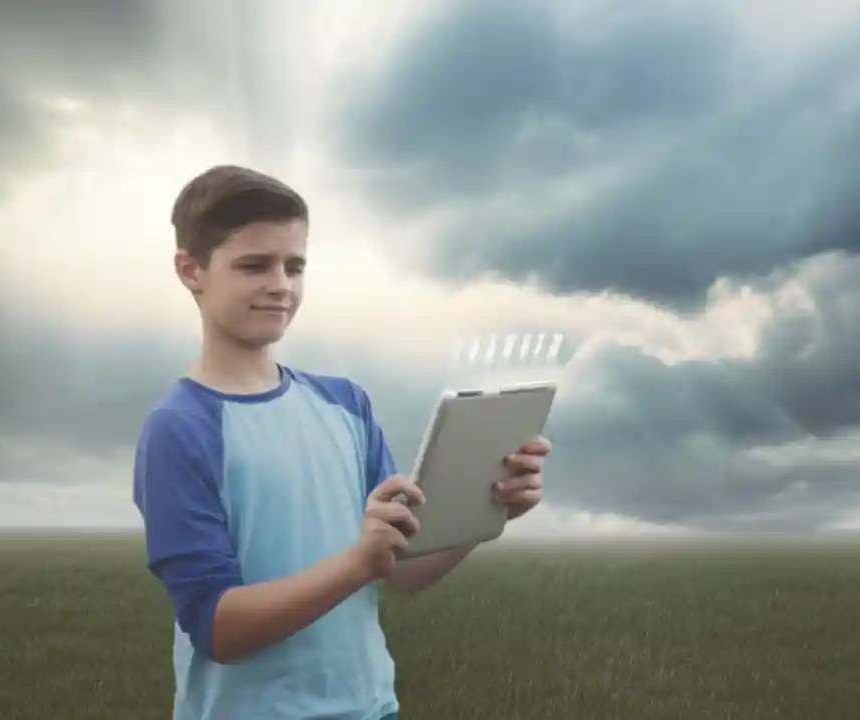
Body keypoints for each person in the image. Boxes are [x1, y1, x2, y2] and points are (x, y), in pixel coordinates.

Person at [131, 164, 551, 719]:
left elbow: (401, 568)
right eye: (254, 265)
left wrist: (487, 507)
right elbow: (217, 628)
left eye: (295, 265)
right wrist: (357, 563)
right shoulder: (179, 428)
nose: (281, 284)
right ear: (191, 270)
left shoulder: (346, 405)